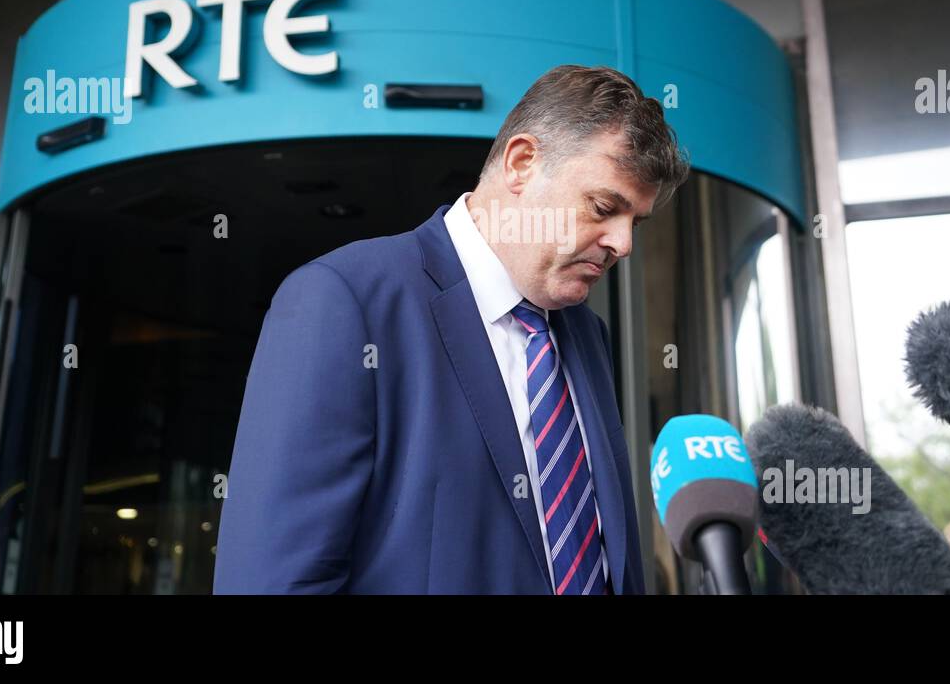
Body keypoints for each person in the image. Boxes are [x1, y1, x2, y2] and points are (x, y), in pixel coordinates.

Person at [213, 64, 690, 593]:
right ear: (522, 162)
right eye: (604, 207)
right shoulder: (344, 301)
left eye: (635, 223)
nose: (623, 243)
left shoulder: (586, 335)